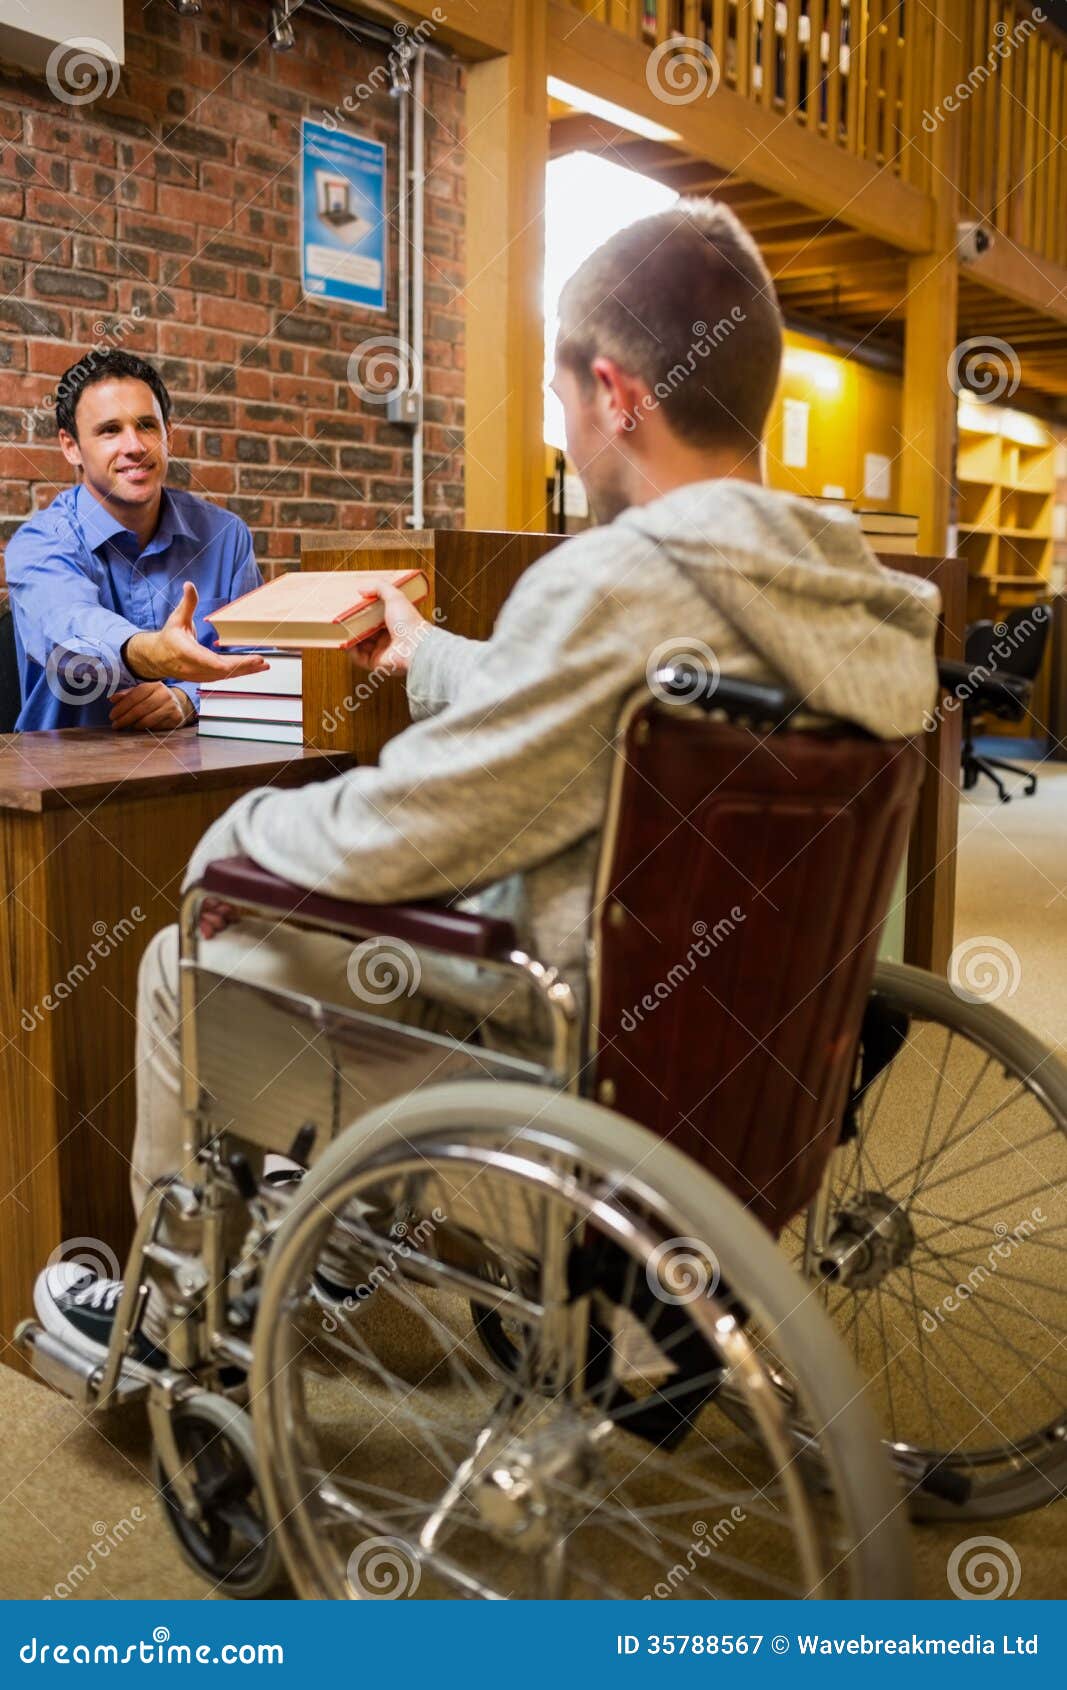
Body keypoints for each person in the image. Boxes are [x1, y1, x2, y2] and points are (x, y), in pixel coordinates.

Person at [33, 199, 940, 1359]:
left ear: (616, 395)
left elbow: (415, 829)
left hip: (556, 1058)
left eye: (563, 399)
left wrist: (238, 832)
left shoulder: (615, 582)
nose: (564, 433)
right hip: (758, 1060)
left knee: (189, 946)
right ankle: (342, 1233)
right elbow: (609, 701)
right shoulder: (855, 596)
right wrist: (430, 656)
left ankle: (171, 1319)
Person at [5, 348, 267, 731]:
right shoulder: (40, 542)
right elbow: (69, 632)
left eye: (146, 425)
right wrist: (154, 653)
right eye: (110, 430)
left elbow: (257, 661)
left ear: (168, 435)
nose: (135, 446)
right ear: (71, 446)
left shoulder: (226, 537)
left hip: (206, 774)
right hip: (66, 781)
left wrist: (189, 699)